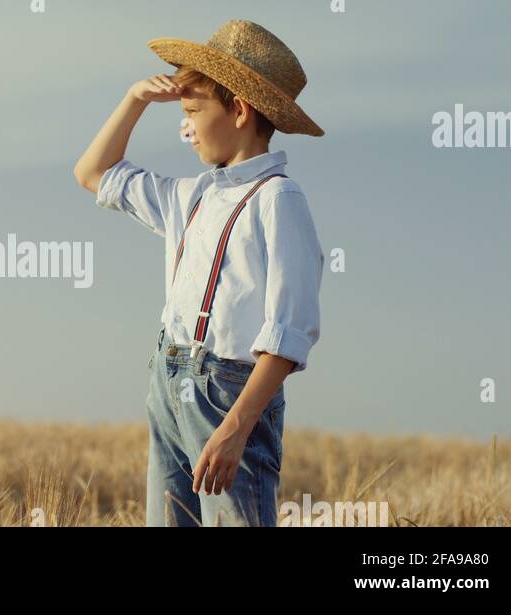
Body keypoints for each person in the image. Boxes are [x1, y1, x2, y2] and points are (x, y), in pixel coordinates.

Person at [73, 20, 325, 526]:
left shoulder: (279, 199)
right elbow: (92, 173)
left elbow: (288, 333)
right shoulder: (191, 195)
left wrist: (235, 428)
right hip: (168, 381)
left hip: (231, 396)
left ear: (239, 110)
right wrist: (134, 99)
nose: (184, 129)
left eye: (192, 112)